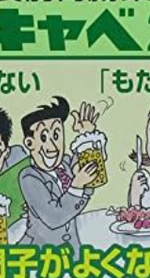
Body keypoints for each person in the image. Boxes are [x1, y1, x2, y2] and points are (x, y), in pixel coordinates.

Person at [18, 97, 100, 256]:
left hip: (72, 252)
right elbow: (54, 218)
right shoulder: (29, 177)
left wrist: (86, 137)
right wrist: (77, 185)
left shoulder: (66, 164)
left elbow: (91, 180)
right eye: (43, 138)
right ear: (29, 143)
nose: (52, 147)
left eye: (56, 135)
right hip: (37, 255)